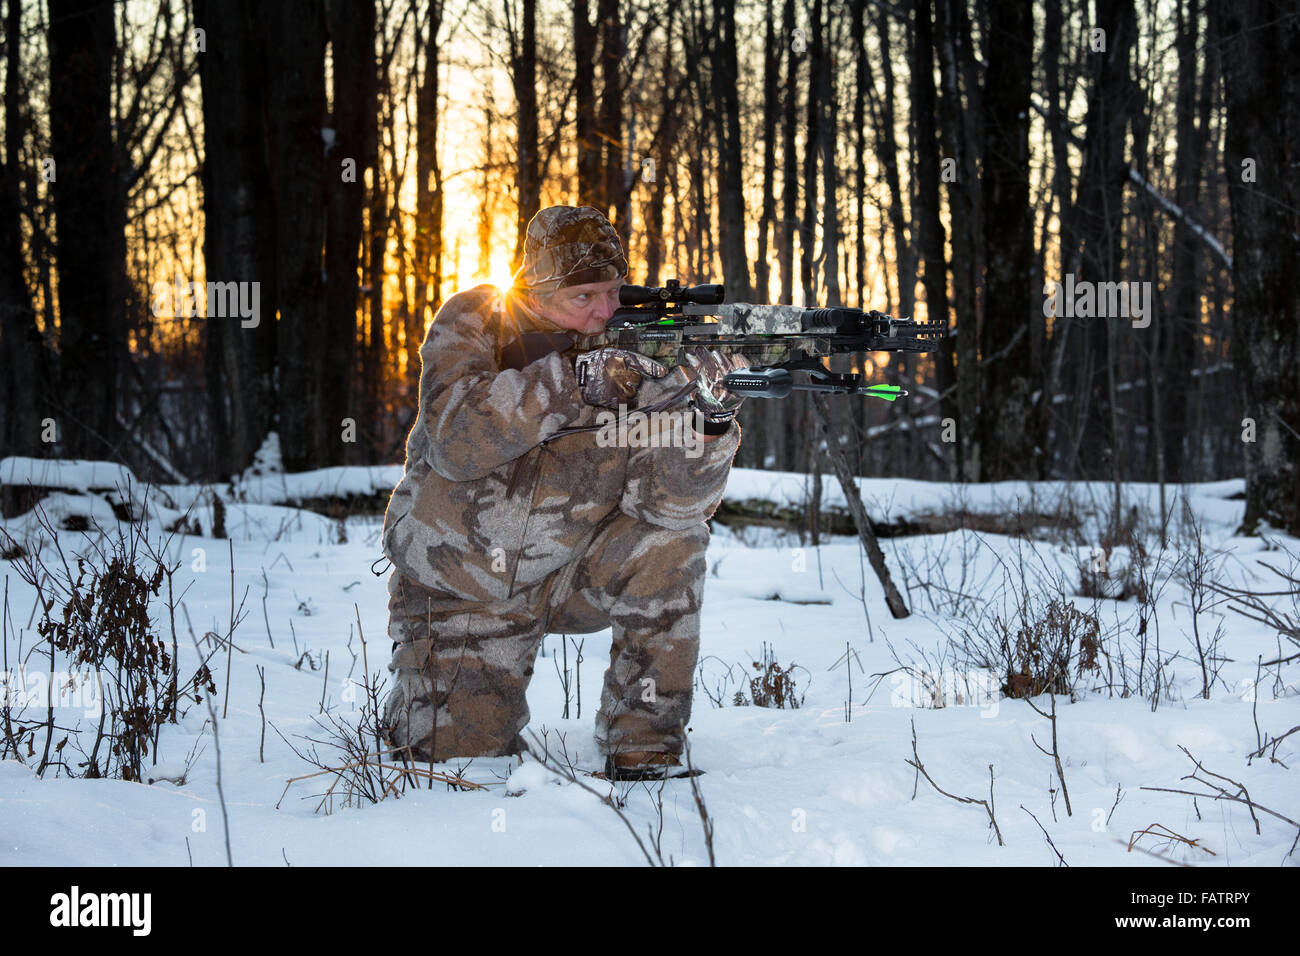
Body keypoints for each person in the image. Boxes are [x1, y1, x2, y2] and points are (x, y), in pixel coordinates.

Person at [379, 205, 748, 779]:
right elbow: (455, 438)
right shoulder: (475, 320)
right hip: (462, 583)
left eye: (614, 292)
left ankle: (644, 747)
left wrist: (710, 418)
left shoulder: (639, 352)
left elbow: (670, 506)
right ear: (534, 290)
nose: (605, 313)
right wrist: (571, 383)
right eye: (584, 298)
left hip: (572, 569)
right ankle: (422, 698)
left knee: (673, 544)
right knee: (456, 766)